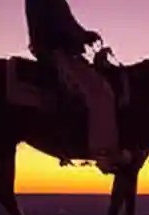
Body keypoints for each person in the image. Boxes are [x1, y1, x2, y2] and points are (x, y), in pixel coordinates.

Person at [25, 0, 130, 172]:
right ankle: (104, 153)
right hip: (55, 51)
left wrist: (83, 34)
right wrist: (81, 37)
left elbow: (68, 23)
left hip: (60, 50)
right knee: (101, 93)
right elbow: (59, 26)